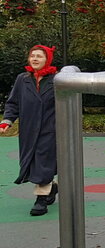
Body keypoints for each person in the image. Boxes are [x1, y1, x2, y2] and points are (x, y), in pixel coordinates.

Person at [0, 44, 60, 216]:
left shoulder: (57, 80)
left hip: (50, 129)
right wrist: (7, 121)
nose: (34, 59)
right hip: (28, 130)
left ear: (47, 59)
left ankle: (40, 200)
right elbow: (13, 103)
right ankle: (52, 187)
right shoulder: (22, 79)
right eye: (32, 55)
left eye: (39, 56)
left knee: (44, 162)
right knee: (33, 162)